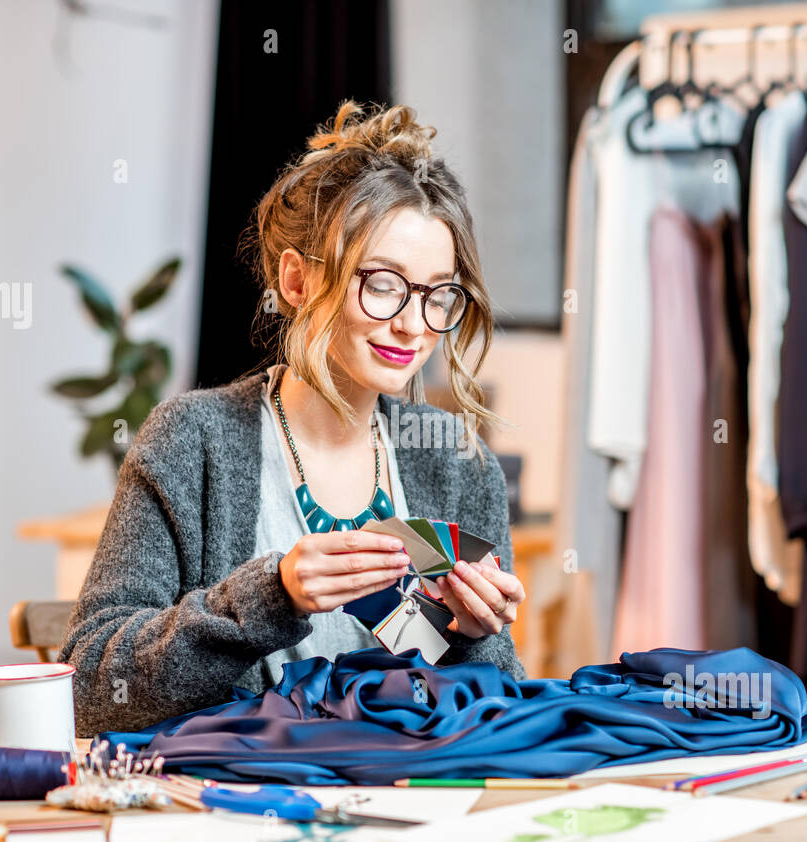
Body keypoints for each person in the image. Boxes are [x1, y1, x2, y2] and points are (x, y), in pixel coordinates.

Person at [60, 101, 527, 735]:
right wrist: (270, 596)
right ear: (297, 280)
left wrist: (475, 636)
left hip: (409, 806)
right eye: (384, 283)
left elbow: (498, 705)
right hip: (236, 805)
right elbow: (89, 686)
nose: (414, 325)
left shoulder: (455, 461)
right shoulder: (191, 443)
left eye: (438, 294)